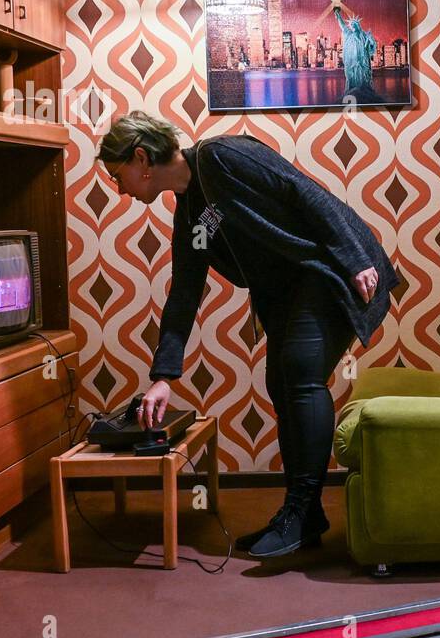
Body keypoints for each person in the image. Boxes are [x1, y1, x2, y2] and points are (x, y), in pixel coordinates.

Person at [96, 111, 400, 558]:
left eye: (117, 175)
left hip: (329, 271)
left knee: (299, 373)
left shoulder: (220, 158)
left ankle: (301, 510)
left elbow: (304, 193)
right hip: (292, 291)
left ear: (141, 157)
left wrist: (355, 258)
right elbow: (185, 291)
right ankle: (304, 513)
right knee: (280, 380)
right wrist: (163, 376)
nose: (119, 188)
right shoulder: (200, 214)